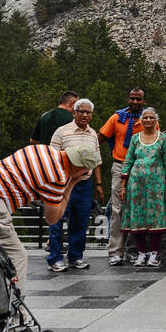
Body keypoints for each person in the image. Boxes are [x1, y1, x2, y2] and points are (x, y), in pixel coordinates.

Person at [0, 140, 101, 300]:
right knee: (16, 255)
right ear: (81, 169)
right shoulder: (56, 177)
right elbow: (53, 218)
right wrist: (72, 182)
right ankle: (15, 316)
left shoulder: (43, 150)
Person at [46, 98, 103, 272]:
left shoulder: (93, 134)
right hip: (63, 183)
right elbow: (51, 157)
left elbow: (97, 161)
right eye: (81, 111)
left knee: (80, 221)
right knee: (56, 220)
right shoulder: (62, 132)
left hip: (85, 184)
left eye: (88, 112)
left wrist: (98, 183)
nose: (85, 115)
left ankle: (75, 256)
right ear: (75, 112)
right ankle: (55, 258)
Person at [119, 106, 166, 267]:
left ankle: (154, 254)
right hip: (136, 184)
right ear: (141, 121)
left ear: (156, 120)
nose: (148, 120)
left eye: (151, 117)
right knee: (137, 216)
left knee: (156, 218)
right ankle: (141, 253)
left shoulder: (163, 138)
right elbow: (128, 160)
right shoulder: (135, 139)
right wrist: (123, 186)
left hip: (156, 184)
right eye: (145, 118)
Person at [98, 88, 145, 265]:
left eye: (138, 99)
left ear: (143, 101)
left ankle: (133, 249)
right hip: (120, 165)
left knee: (135, 209)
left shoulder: (148, 119)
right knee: (117, 210)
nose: (134, 102)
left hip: (140, 167)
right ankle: (115, 251)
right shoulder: (117, 118)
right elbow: (100, 138)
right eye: (132, 98)